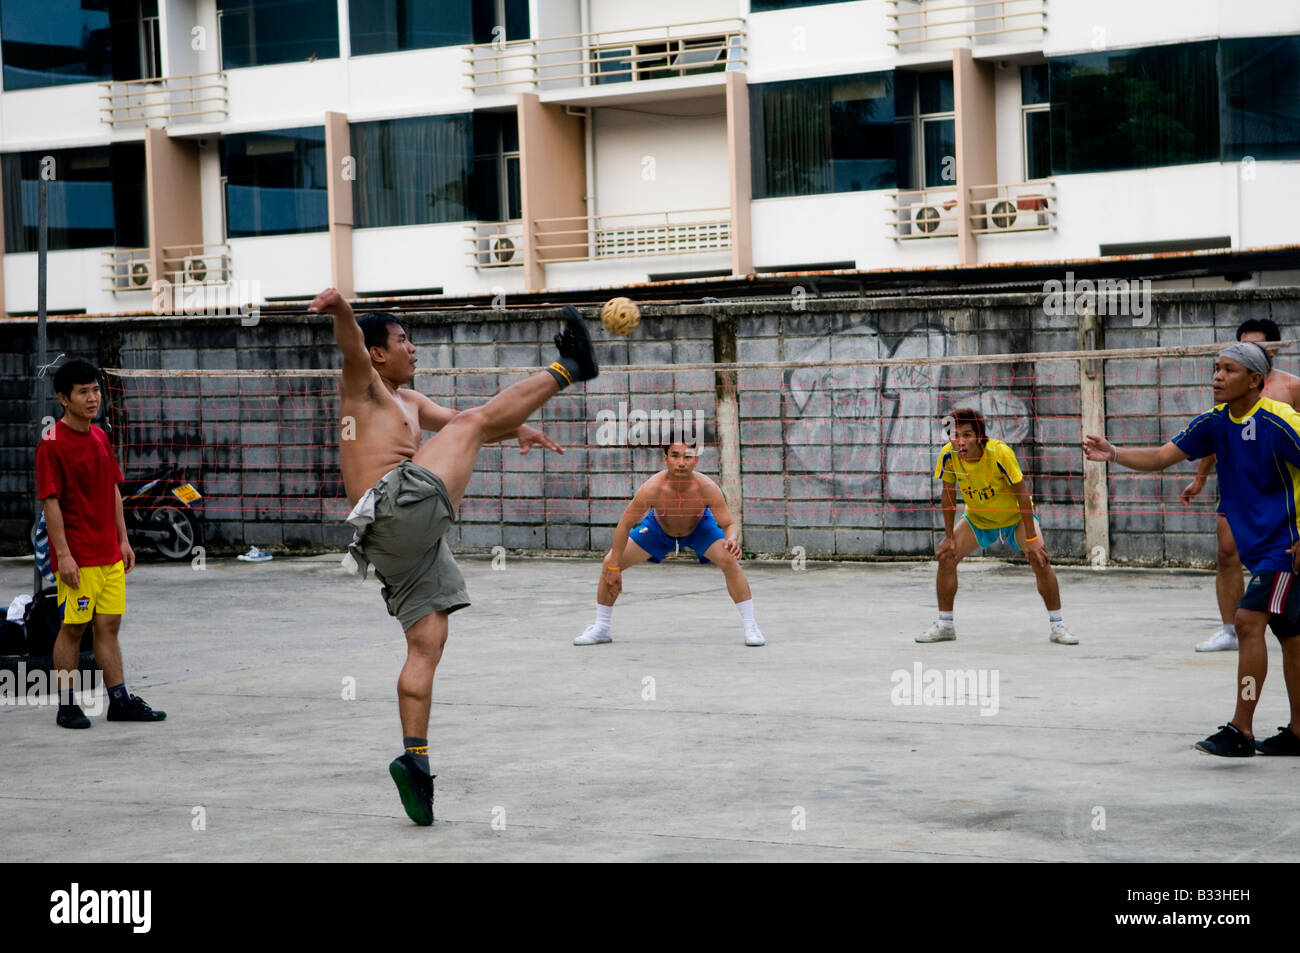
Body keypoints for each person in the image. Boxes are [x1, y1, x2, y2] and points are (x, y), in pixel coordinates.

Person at [310, 289, 598, 825]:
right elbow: (351, 346)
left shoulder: (411, 402)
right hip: (395, 507)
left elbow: (464, 425)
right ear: (377, 353)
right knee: (472, 423)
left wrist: (517, 428)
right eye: (402, 340)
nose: (413, 348)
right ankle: (572, 366)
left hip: (400, 539)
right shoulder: (362, 387)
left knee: (428, 642)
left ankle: (415, 764)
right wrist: (342, 309)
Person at [1084, 341, 1300, 757]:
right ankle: (1297, 732)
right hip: (1264, 548)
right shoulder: (1215, 422)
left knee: (1247, 621)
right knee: (1291, 635)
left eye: (1229, 370)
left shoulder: (1281, 422)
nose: (1217, 376)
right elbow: (1163, 456)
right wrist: (1113, 454)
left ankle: (1242, 730)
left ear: (1256, 380)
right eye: (1216, 368)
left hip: (1286, 548)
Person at [35, 359, 166, 729]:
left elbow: (112, 490)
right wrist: (63, 556)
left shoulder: (100, 436)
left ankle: (120, 701)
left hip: (109, 553)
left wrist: (123, 540)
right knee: (73, 628)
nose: (93, 398)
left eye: (95, 390)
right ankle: (66, 705)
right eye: (83, 392)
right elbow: (51, 502)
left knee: (108, 626)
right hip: (78, 557)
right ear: (63, 398)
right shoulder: (51, 444)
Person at [575, 437, 765, 647]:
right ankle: (601, 628)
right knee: (609, 561)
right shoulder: (652, 488)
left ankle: (751, 627)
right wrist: (613, 567)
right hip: (658, 529)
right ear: (665, 459)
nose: (681, 462)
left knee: (730, 560)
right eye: (675, 456)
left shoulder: (707, 488)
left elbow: (730, 524)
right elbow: (624, 525)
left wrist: (731, 540)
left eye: (687, 456)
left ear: (696, 461)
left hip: (700, 528)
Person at [1182, 319, 1300, 652]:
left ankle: (1270, 620)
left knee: (1283, 569)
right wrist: (1200, 479)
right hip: (1237, 490)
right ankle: (1230, 630)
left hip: (1279, 497)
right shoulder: (1229, 391)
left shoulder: (1290, 390)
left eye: (1256, 346)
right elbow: (1216, 436)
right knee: (1226, 554)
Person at [919, 407, 1077, 644]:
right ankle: (945, 625)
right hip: (979, 518)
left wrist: (1032, 539)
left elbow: (1023, 496)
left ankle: (1058, 626)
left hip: (1014, 518)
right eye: (955, 435)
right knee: (946, 557)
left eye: (967, 435)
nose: (960, 441)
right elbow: (948, 495)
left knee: (1040, 559)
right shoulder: (948, 455)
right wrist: (949, 536)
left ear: (979, 436)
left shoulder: (999, 453)